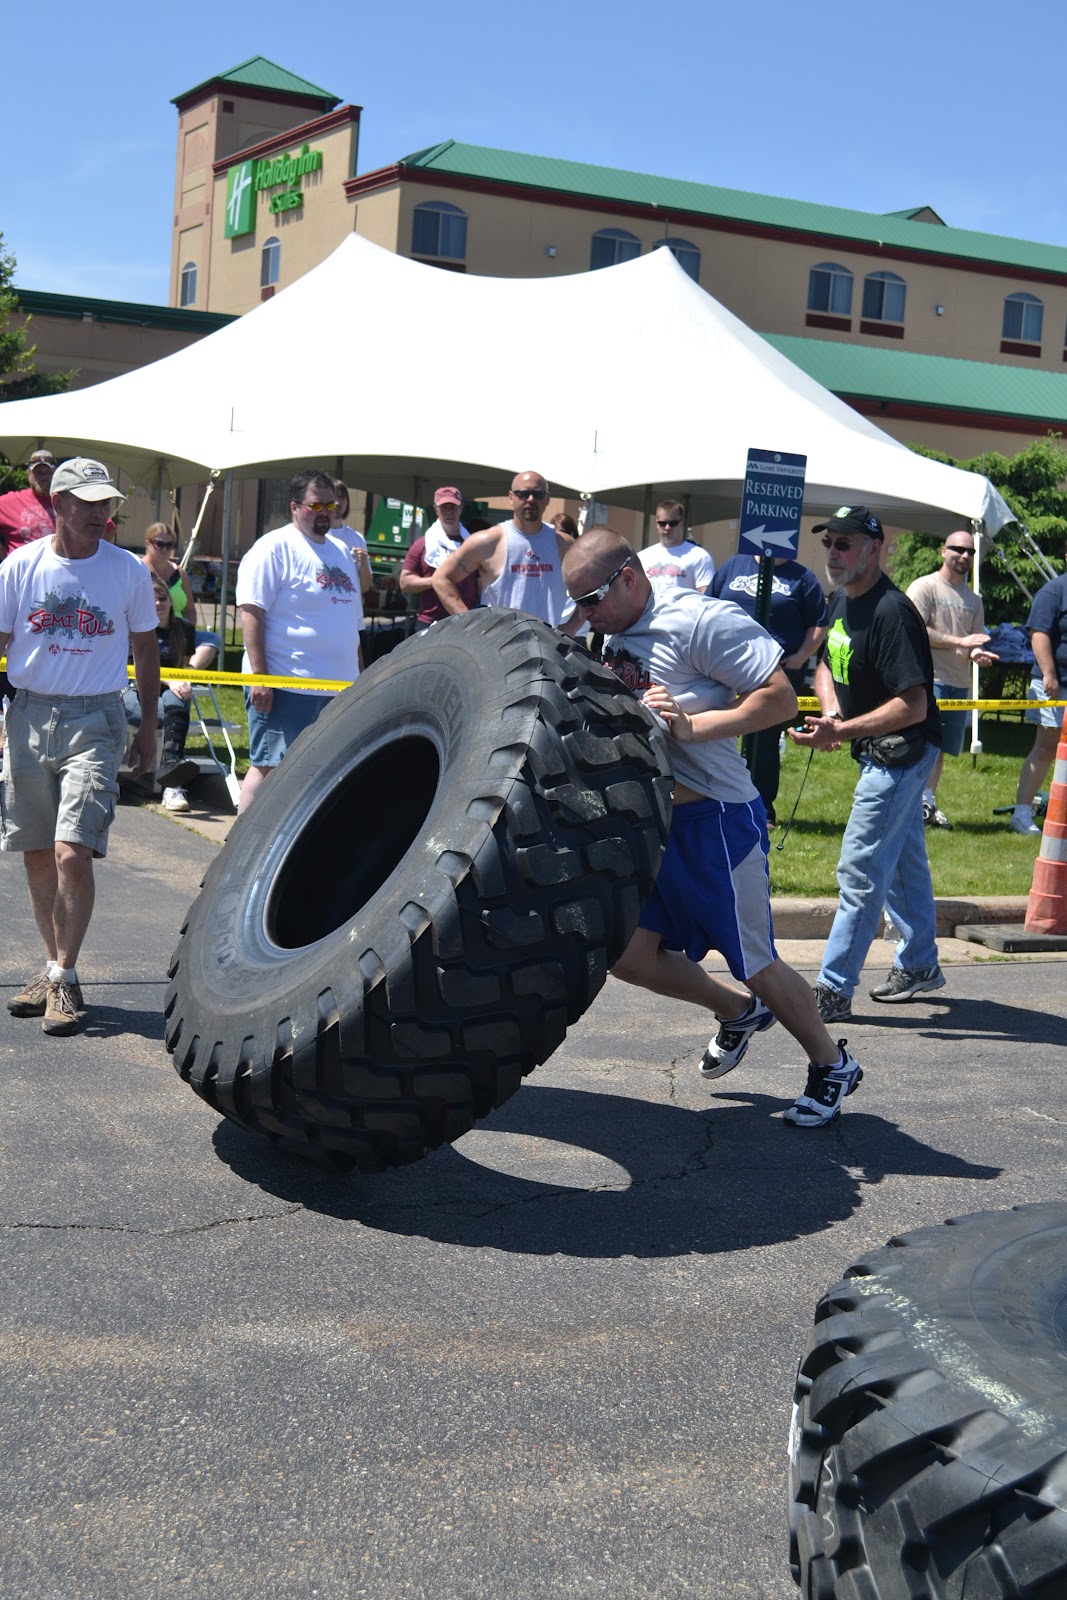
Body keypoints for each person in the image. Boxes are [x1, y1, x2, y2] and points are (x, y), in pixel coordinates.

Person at [562, 527, 862, 1130]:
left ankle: (832, 1064)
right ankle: (737, 1011)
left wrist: (693, 727)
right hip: (658, 821)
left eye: (591, 599)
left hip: (719, 819)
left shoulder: (701, 620)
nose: (585, 615)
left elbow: (780, 701)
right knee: (628, 954)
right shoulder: (607, 630)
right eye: (577, 605)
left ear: (628, 577)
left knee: (754, 957)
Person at [0, 457, 159, 1036]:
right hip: (29, 714)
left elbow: (145, 648)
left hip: (97, 718)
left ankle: (65, 978)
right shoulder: (21, 567)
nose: (101, 513)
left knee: (72, 850)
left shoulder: (128, 571)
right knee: (38, 851)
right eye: (88, 502)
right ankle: (51, 967)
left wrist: (149, 728)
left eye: (106, 503)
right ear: (60, 504)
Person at [788, 506, 943, 1017]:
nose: (833, 552)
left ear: (874, 549)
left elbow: (913, 704)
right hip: (876, 749)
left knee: (860, 870)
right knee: (900, 860)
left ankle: (833, 988)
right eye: (829, 542)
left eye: (845, 544)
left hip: (902, 756)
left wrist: (844, 730)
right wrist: (833, 714)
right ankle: (919, 962)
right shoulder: (841, 599)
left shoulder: (891, 612)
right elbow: (828, 664)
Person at [235, 468, 362, 814]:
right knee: (270, 767)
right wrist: (261, 678)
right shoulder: (273, 548)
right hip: (287, 682)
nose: (325, 513)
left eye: (330, 506)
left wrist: (360, 680)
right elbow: (251, 613)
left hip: (336, 688)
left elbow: (353, 625)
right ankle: (238, 851)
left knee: (322, 773)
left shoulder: (340, 551)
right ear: (294, 506)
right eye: (316, 506)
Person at [710, 550, 828, 822]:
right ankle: (717, 800)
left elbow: (819, 622)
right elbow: (708, 605)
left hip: (776, 671)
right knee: (718, 733)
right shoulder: (732, 565)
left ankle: (762, 809)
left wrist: (800, 656)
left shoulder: (802, 577)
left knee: (764, 742)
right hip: (725, 667)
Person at [906, 532, 997, 829]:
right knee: (920, 744)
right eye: (958, 549)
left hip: (959, 683)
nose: (965, 556)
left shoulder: (974, 599)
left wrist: (977, 654)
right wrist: (962, 640)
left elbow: (973, 642)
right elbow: (916, 630)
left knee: (939, 748)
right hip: (928, 679)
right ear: (943, 551)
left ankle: (927, 803)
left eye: (970, 551)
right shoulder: (925, 587)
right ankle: (909, 803)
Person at [431, 470, 581, 633]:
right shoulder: (488, 541)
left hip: (547, 646)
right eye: (523, 493)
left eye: (538, 494)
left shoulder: (564, 544)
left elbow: (593, 587)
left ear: (547, 498)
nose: (530, 499)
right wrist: (470, 625)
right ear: (511, 497)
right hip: (499, 647)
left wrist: (570, 628)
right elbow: (441, 578)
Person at [123, 577, 218, 812]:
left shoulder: (183, 628)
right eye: (152, 599)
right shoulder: (137, 626)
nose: (158, 603)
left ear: (170, 601)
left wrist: (179, 681)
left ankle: (172, 778)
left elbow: (183, 666)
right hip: (136, 688)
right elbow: (136, 666)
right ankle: (170, 769)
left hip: (170, 690)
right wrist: (171, 679)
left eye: (162, 598)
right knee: (167, 712)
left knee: (178, 699)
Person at [1011, 551, 1067, 834]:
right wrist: (1049, 674)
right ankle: (1021, 813)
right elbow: (1039, 634)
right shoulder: (1054, 591)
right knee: (1046, 748)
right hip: (1055, 684)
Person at [141, 522, 221, 668]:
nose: (165, 549)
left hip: (178, 631)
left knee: (212, 639)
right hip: (149, 631)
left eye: (169, 545)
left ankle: (188, 672)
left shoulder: (179, 572)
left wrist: (186, 632)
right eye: (159, 544)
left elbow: (190, 609)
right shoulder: (138, 570)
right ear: (148, 544)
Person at [400, 486, 479, 630]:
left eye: (453, 507)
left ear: (461, 509)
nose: (449, 512)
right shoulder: (422, 544)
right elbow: (405, 582)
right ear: (436, 509)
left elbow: (480, 582)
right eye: (444, 507)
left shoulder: (472, 545)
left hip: (466, 623)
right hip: (430, 623)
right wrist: (438, 581)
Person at [637, 500, 714, 595]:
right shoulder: (642, 557)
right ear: (657, 524)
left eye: (673, 523)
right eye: (663, 523)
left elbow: (706, 594)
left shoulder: (700, 556)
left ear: (681, 523)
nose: (667, 527)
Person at [0, 449, 57, 560]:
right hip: (21, 572)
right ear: (29, 473)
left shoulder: (66, 501)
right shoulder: (10, 502)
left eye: (48, 472)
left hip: (58, 570)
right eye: (38, 472)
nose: (44, 477)